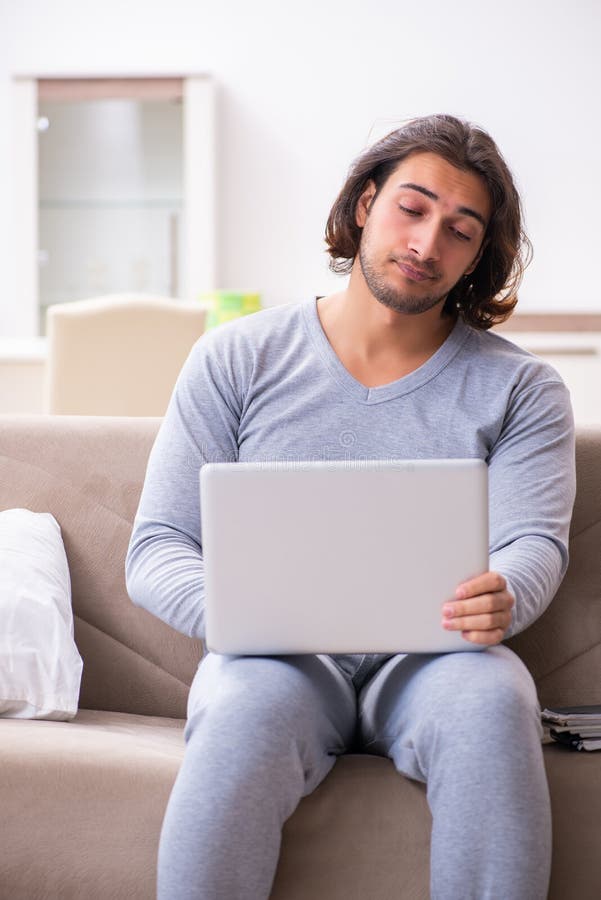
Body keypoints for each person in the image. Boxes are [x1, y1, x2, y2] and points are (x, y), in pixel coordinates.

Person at [126, 113, 575, 900]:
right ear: (365, 204)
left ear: (477, 255)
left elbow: (531, 543)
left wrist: (505, 591)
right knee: (241, 705)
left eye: (460, 230)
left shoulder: (522, 388)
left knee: (494, 697)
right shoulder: (236, 357)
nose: (426, 242)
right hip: (278, 664)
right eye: (412, 207)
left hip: (438, 661)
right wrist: (243, 613)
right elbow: (158, 545)